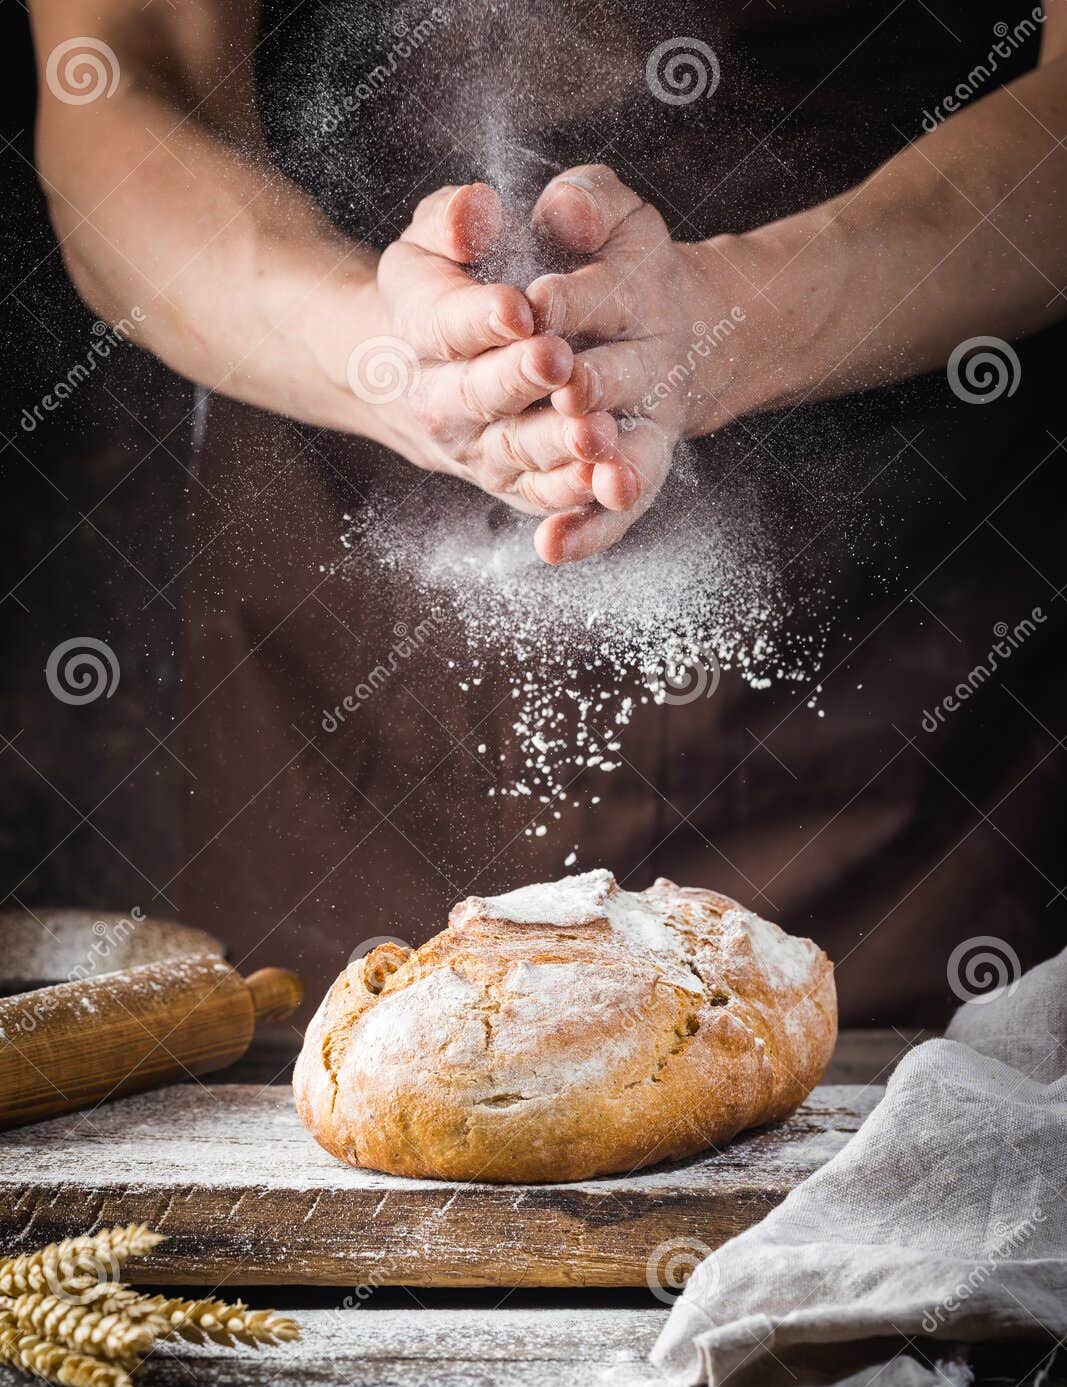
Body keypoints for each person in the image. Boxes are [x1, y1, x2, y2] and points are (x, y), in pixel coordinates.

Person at [29, 0, 1067, 1023]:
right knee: (366, 1104)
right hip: (358, 703)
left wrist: (718, 322)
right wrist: (387, 360)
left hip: (903, 680)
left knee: (905, 1141)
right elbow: (116, 86)